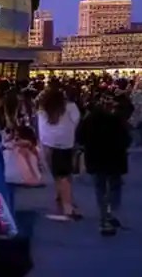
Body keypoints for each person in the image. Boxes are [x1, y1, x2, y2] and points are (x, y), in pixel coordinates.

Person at [76, 89, 130, 236]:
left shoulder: (90, 119)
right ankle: (110, 211)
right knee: (114, 186)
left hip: (95, 158)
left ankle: (104, 216)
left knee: (99, 187)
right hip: (115, 158)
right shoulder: (118, 119)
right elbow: (126, 139)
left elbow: (80, 137)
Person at [37, 82, 82, 221]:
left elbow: (40, 126)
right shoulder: (70, 107)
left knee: (57, 173)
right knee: (64, 173)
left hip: (48, 143)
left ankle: (63, 199)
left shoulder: (43, 109)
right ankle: (66, 202)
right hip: (65, 143)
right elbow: (76, 120)